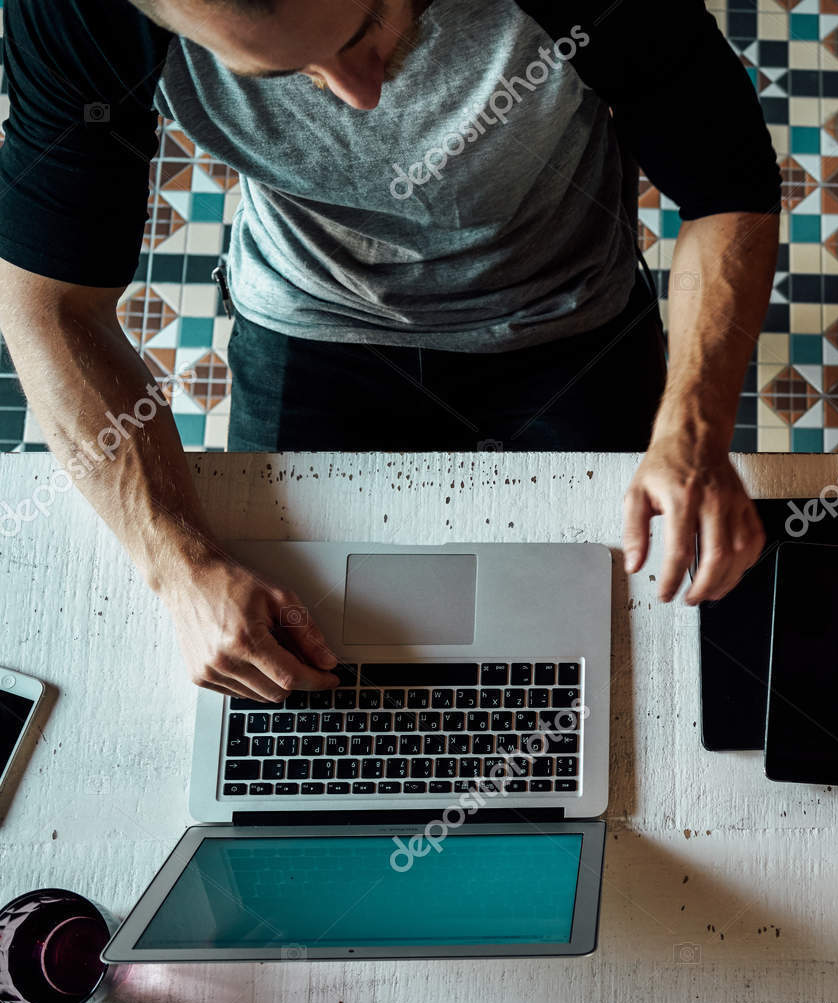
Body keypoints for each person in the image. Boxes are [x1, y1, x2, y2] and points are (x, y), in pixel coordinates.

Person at [0, 0, 779, 702]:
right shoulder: (78, 12)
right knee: (293, 668)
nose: (363, 95)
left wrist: (697, 427)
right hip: (307, 321)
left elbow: (729, 186)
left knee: (622, 642)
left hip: (569, 311)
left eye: (369, 23)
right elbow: (51, 307)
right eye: (286, 71)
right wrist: (178, 567)